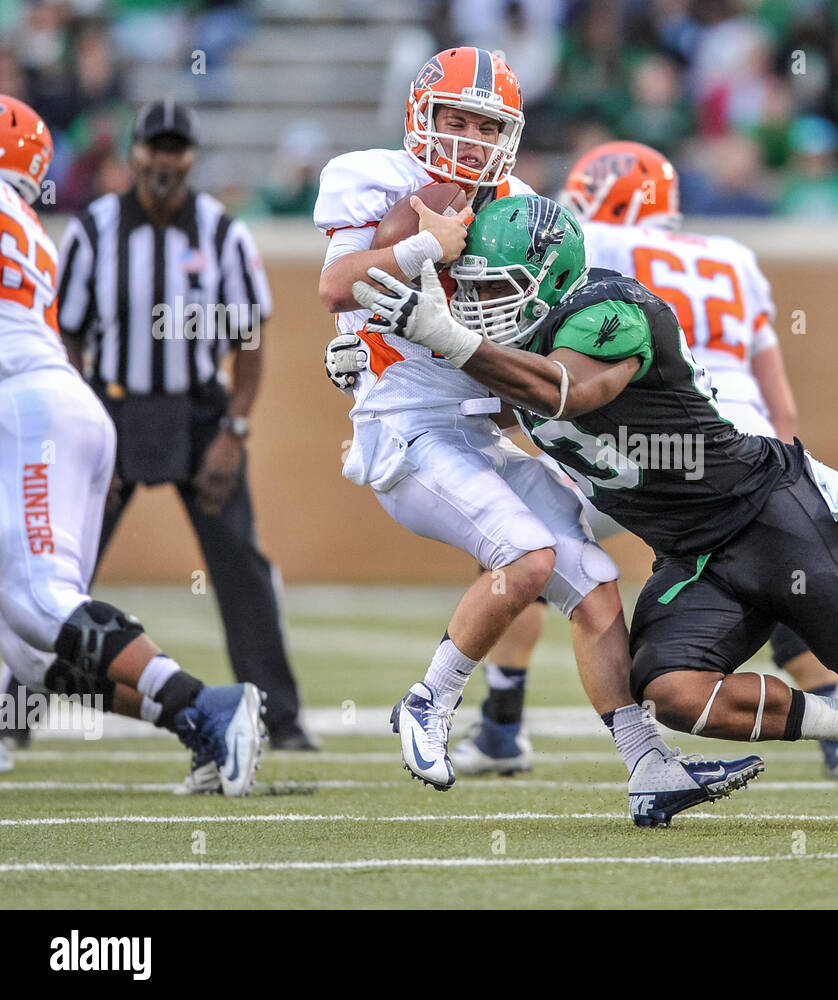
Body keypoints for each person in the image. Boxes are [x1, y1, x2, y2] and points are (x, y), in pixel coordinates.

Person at [353, 194, 838, 834]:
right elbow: (494, 404)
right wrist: (374, 378)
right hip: (691, 551)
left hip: (767, 514)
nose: (480, 310)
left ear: (550, 279)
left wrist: (450, 343)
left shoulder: (615, 311)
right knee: (669, 687)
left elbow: (567, 392)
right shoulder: (513, 343)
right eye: (476, 297)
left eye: (497, 294)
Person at [318, 47, 768, 828]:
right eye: (452, 119)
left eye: (482, 124)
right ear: (420, 116)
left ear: (511, 134)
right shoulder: (381, 179)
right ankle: (427, 702)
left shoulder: (524, 205)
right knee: (526, 559)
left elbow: (524, 334)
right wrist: (424, 252)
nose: (464, 137)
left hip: (483, 426)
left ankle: (649, 767)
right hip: (405, 429)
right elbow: (335, 283)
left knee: (593, 582)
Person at [448, 141, 838, 784]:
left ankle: (503, 723)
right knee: (770, 568)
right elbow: (778, 398)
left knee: (526, 542)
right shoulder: (734, 257)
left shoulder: (596, 247)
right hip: (746, 434)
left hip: (644, 431)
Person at [0, 94, 264, 794]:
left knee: (39, 602)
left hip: (33, 410)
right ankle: (193, 723)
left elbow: (250, 334)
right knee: (25, 649)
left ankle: (212, 704)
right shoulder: (36, 226)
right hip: (68, 408)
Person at [54, 99, 315, 752]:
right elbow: (69, 337)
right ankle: (16, 707)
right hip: (112, 410)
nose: (164, 161)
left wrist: (233, 431)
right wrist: (88, 430)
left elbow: (250, 340)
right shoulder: (94, 229)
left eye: (176, 149)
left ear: (190, 157)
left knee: (240, 564)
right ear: (134, 154)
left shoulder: (223, 232)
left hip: (199, 411)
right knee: (59, 565)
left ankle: (280, 718)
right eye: (154, 148)